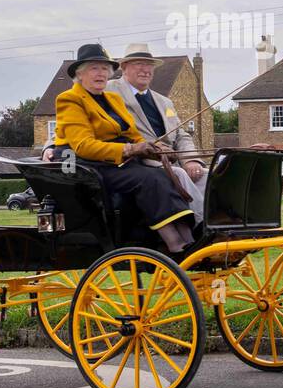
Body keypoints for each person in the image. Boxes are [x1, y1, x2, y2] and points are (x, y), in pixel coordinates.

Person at [52, 43, 196, 253]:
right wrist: (130, 150)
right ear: (80, 74)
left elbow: (132, 134)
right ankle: (175, 243)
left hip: (118, 163)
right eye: (94, 68)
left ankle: (191, 238)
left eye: (104, 69)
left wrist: (154, 147)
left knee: (164, 175)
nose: (100, 73)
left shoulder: (113, 99)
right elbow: (83, 146)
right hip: (89, 166)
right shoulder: (69, 99)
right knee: (149, 179)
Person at [107, 43, 207, 220]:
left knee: (206, 175)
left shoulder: (164, 102)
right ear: (124, 67)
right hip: (141, 162)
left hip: (172, 160)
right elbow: (75, 118)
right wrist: (51, 146)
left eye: (149, 65)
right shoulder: (108, 90)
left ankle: (228, 224)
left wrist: (191, 160)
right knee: (180, 174)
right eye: (139, 64)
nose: (146, 70)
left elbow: (181, 135)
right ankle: (202, 227)